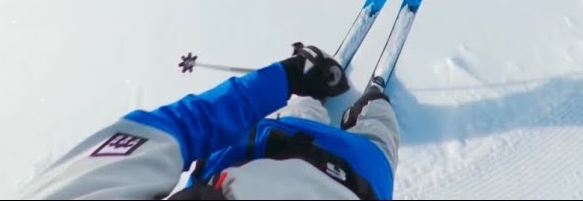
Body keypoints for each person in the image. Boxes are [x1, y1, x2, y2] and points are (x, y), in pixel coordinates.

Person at [20, 43, 399, 200]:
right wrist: (287, 77)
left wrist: (287, 77)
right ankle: (367, 102)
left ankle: (330, 102)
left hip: (305, 161)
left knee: (364, 136)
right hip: (350, 173)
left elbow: (177, 130)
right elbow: (185, 126)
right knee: (375, 137)